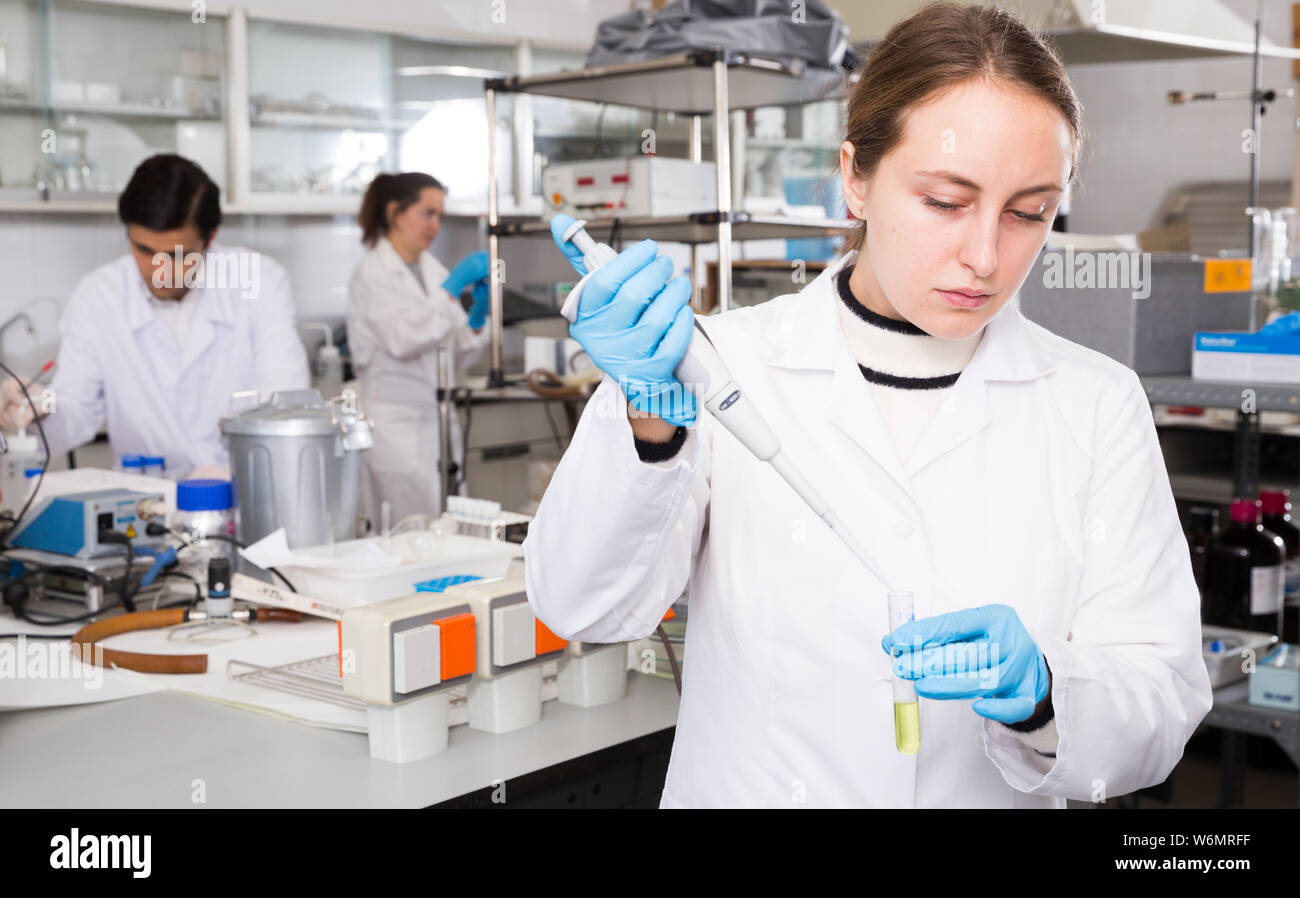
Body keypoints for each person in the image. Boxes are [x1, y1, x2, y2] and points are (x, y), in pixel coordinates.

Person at [524, 1, 1212, 808]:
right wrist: (646, 421)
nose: (986, 256)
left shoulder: (1096, 403)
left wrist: (1047, 695)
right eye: (945, 201)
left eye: (1029, 212)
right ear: (854, 177)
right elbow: (584, 607)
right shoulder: (719, 365)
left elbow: (1162, 696)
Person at [0, 154, 309, 477]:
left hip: (245, 494)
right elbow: (76, 409)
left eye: (177, 256)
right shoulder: (98, 295)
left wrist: (231, 476)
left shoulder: (258, 281)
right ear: (129, 235)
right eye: (144, 250)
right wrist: (38, 409)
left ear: (210, 238)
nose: (159, 270)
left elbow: (285, 404)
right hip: (143, 505)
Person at [346, 172, 491, 525]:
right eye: (427, 213)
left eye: (440, 215)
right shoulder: (373, 273)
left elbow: (457, 352)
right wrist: (450, 291)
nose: (436, 226)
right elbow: (402, 340)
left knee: (448, 524)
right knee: (406, 530)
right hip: (393, 424)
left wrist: (475, 321)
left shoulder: (431, 269)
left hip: (437, 418)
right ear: (395, 213)